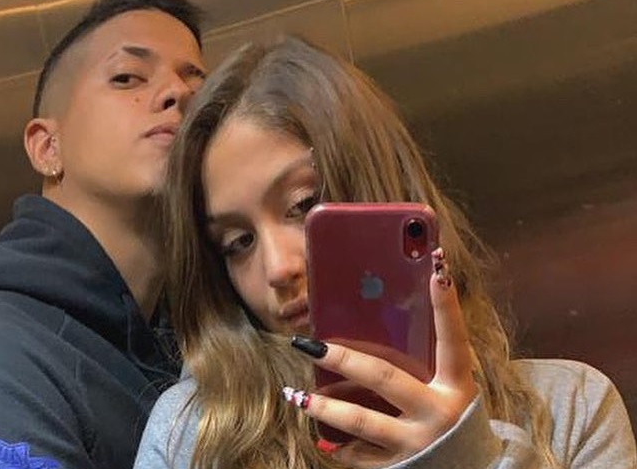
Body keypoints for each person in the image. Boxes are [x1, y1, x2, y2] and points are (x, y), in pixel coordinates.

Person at [134, 36, 637, 469]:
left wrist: (462, 457)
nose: (278, 268)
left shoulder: (572, 409)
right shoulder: (194, 431)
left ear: (379, 192)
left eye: (304, 206)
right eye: (237, 243)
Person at [0, 0, 206, 468]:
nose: (177, 93)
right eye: (127, 77)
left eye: (198, 85)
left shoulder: (191, 347)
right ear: (47, 148)